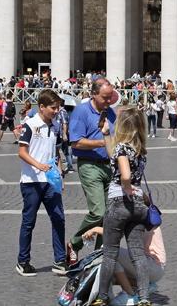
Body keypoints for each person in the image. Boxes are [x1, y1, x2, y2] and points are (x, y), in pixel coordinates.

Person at [92, 107, 151, 306]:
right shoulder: (140, 150)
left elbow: (124, 174)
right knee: (138, 255)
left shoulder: (122, 148)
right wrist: (106, 135)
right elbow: (114, 158)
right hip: (138, 207)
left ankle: (102, 297)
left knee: (109, 253)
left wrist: (126, 186)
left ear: (123, 126)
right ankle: (143, 298)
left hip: (119, 202)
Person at [15, 90, 68, 277]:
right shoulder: (29, 125)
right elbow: (22, 152)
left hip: (50, 180)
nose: (56, 110)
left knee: (58, 219)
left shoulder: (55, 126)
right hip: (32, 181)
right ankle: (23, 261)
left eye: (58, 107)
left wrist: (60, 174)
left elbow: (57, 153)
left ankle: (60, 260)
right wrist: (39, 165)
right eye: (53, 107)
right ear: (42, 107)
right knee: (29, 222)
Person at [69, 79, 117, 252]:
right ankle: (75, 243)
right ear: (94, 94)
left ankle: (100, 254)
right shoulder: (81, 112)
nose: (108, 101)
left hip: (109, 167)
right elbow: (76, 142)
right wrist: (102, 142)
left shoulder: (111, 112)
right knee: (98, 212)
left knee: (110, 215)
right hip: (89, 165)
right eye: (105, 97)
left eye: (111, 97)